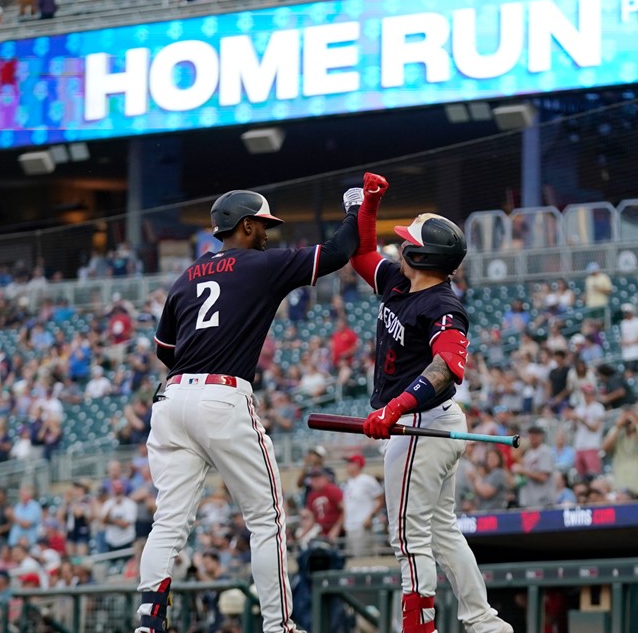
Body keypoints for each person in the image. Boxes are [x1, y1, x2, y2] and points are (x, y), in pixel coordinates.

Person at [135, 185, 363, 633]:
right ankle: (279, 626)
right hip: (221, 395)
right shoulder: (261, 264)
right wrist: (356, 209)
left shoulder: (186, 277)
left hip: (173, 399)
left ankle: (149, 621)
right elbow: (338, 253)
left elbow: (165, 350)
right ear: (245, 225)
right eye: (263, 225)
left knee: (169, 521)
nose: (267, 234)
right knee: (266, 518)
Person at [347, 173, 514, 633]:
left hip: (422, 424)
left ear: (420, 256)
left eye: (408, 243)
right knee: (441, 530)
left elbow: (447, 368)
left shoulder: (443, 304)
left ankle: (420, 627)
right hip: (424, 424)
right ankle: (484, 622)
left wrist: (396, 406)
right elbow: (361, 254)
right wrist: (369, 208)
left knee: (408, 535)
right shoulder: (398, 283)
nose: (400, 247)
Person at [341, 454, 384, 558]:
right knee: (351, 560)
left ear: (357, 465)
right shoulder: (349, 481)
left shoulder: (367, 480)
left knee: (363, 559)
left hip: (362, 526)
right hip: (350, 526)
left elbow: (380, 499)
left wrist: (370, 516)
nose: (347, 466)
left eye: (350, 463)